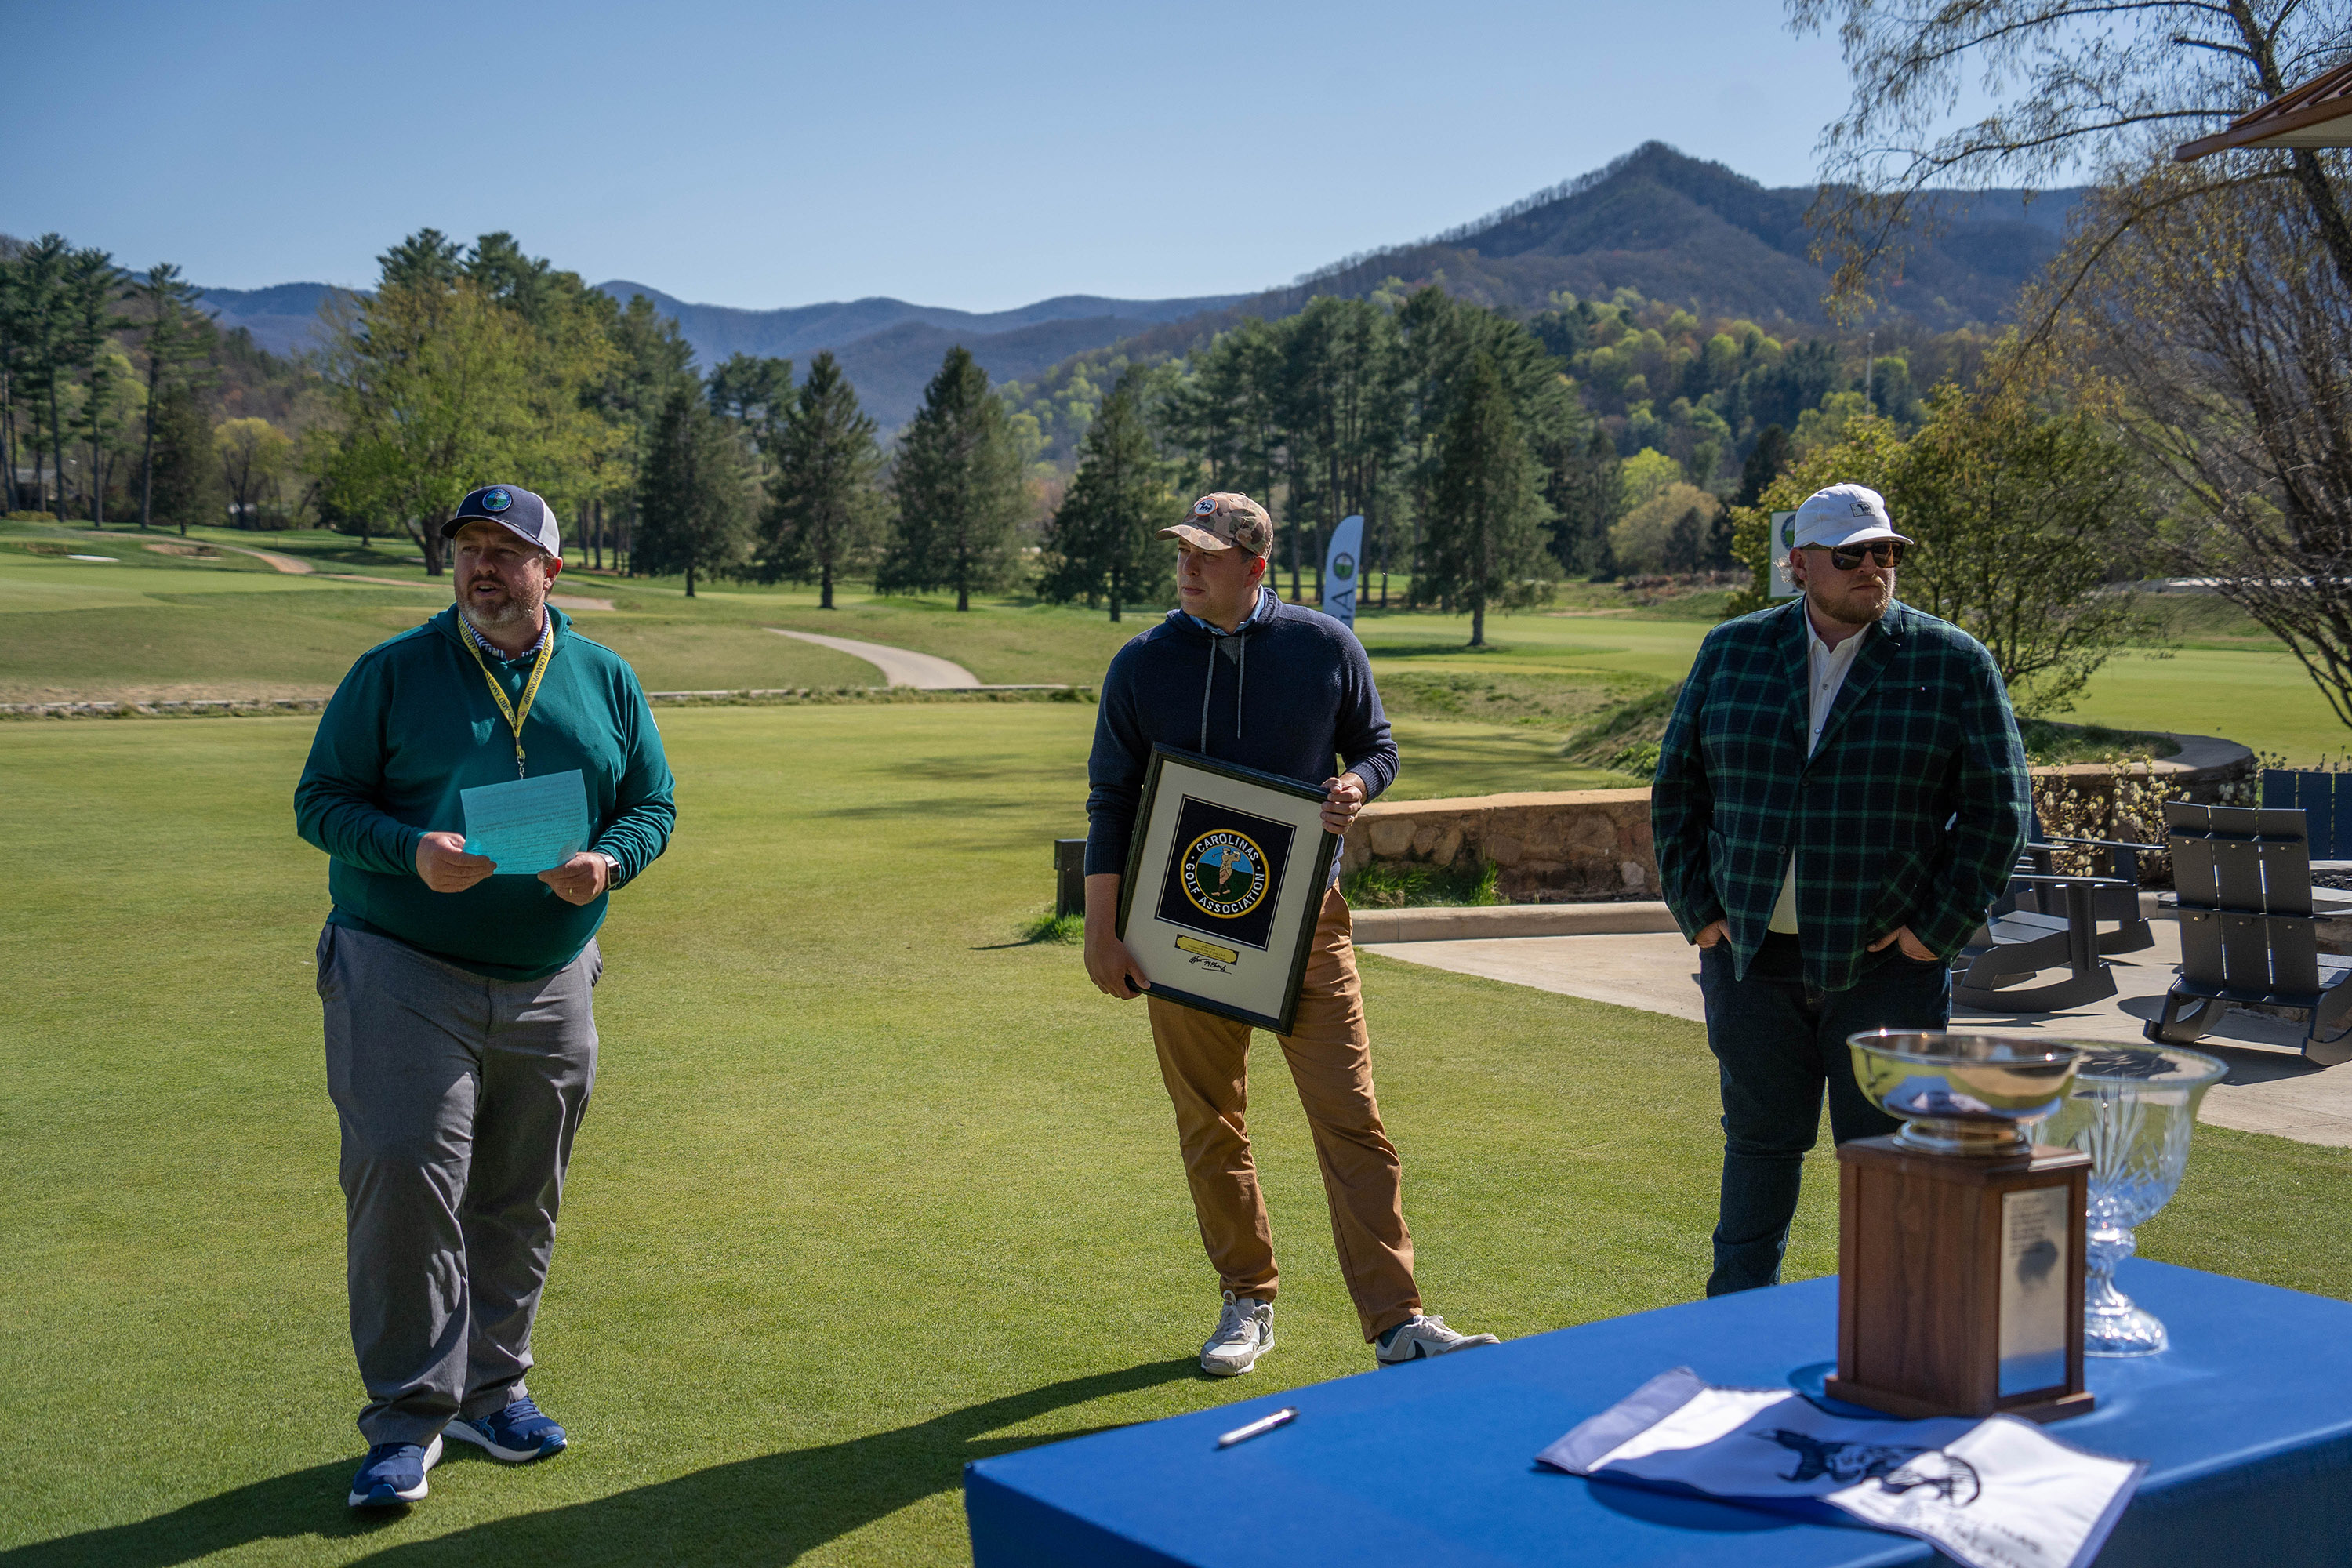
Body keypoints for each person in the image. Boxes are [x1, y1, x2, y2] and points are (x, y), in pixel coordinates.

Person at [294, 484, 675, 1508]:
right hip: (402, 963)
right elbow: (320, 801)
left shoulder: (603, 677)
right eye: (470, 548)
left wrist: (608, 862)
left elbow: (652, 803)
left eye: (508, 551)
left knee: (519, 1190)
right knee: (406, 1178)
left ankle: (492, 1391)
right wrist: (409, 849)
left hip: (552, 976)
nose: (484, 568)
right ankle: (406, 1418)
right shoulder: (392, 672)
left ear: (552, 570)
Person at [1082, 492, 1499, 1374]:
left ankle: (1397, 1321)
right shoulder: (1142, 662)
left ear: (1256, 567)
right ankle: (1247, 1301)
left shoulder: (1325, 647)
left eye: (1207, 555)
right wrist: (1102, 931)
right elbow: (1111, 799)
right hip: (1177, 929)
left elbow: (1378, 747)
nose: (1188, 567)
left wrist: (1358, 786)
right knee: (1211, 1123)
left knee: (1354, 1121)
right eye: (1182, 551)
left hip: (1310, 927)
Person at [1651, 482, 2028, 1296]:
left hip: (1887, 973)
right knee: (1758, 1150)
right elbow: (1678, 787)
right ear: (1800, 564)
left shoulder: (1953, 661)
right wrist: (1701, 913)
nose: (1873, 567)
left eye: (1886, 552)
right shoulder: (1733, 650)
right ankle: (1734, 1329)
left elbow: (2001, 811)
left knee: (1893, 1163)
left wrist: (1933, 934)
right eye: (1851, 554)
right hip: (1752, 964)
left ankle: (1897, 1332)